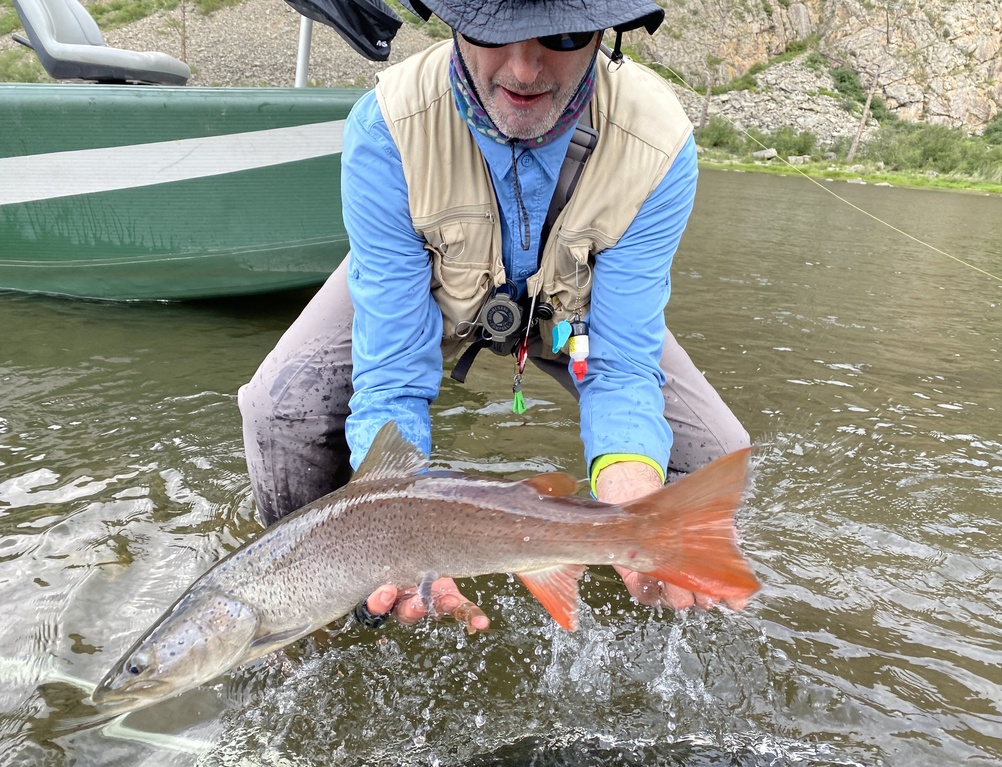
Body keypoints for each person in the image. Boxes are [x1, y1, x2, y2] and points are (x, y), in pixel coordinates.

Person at [238, 0, 750, 633]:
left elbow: (620, 369)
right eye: (491, 32)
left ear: (604, 34)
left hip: (576, 314)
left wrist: (637, 518)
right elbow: (393, 374)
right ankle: (320, 593)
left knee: (717, 457)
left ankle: (639, 586)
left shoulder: (659, 144)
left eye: (562, 35)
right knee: (276, 409)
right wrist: (400, 534)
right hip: (425, 291)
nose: (525, 67)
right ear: (455, 21)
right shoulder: (387, 126)